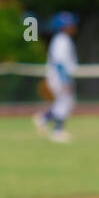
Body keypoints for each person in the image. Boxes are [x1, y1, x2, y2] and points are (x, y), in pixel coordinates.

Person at [34, 12, 79, 143]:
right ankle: (57, 131)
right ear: (64, 26)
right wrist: (65, 81)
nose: (74, 27)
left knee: (64, 103)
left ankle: (44, 118)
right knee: (65, 102)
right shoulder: (61, 40)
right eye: (71, 24)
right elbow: (60, 63)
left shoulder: (63, 39)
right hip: (59, 77)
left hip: (59, 76)